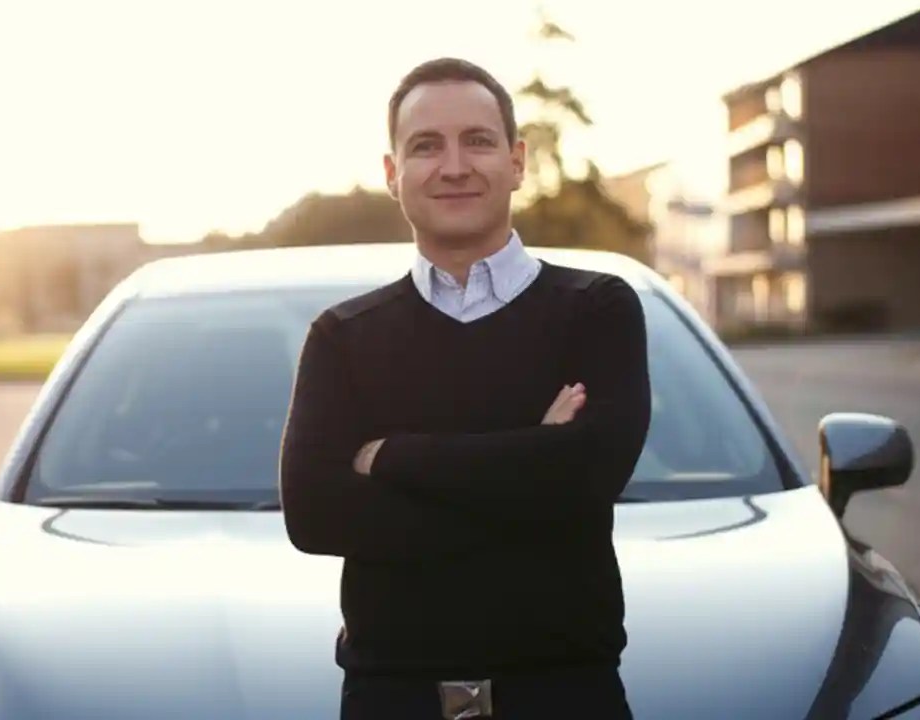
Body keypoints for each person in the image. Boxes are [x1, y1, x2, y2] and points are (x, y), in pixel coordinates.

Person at [279, 57, 651, 719]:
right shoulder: (343, 337)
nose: (454, 166)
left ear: (517, 162)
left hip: (566, 694)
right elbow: (314, 516)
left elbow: (588, 476)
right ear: (393, 173)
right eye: (426, 146)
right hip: (391, 697)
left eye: (477, 141)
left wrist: (394, 457)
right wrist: (533, 463)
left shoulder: (597, 309)